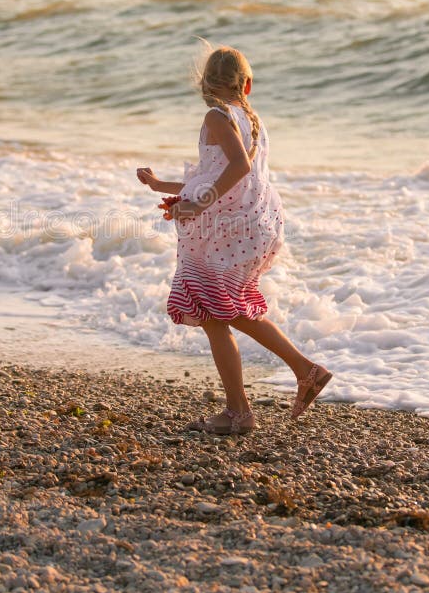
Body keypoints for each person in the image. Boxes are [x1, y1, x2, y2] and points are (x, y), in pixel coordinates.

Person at [137, 46, 332, 434]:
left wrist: (197, 206)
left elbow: (238, 169)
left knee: (214, 314)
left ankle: (239, 413)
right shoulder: (251, 119)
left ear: (205, 84)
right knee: (231, 310)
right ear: (248, 84)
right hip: (249, 227)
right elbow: (218, 177)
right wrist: (165, 186)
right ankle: (305, 371)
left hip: (224, 231)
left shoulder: (216, 116)